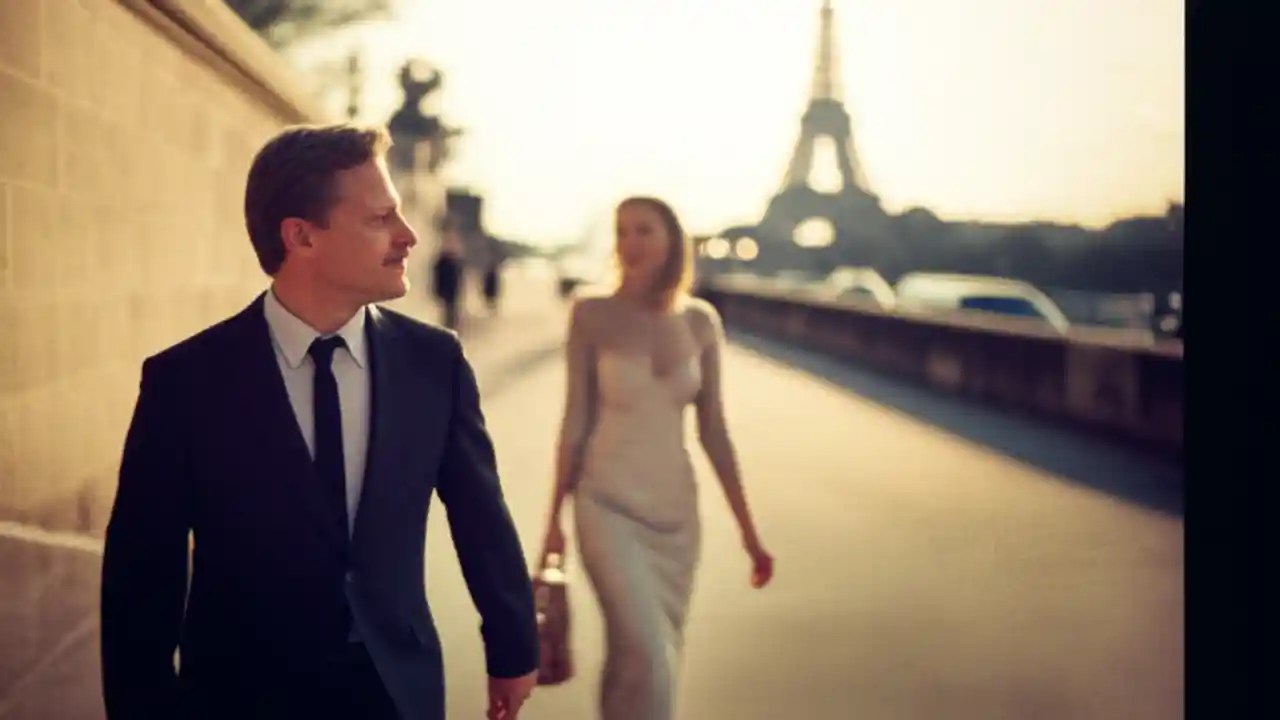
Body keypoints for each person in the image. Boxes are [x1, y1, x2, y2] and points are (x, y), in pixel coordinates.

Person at [100, 124, 539, 720]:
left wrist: (513, 645)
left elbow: (480, 512)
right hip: (240, 697)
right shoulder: (186, 381)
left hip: (396, 691)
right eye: (381, 218)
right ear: (302, 237)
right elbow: (142, 568)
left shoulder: (434, 362)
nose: (408, 237)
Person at [539, 196, 775, 719]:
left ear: (672, 240)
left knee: (652, 655)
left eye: (644, 230)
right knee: (645, 650)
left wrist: (749, 532)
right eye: (622, 231)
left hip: (675, 518)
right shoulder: (591, 313)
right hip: (606, 505)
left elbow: (714, 430)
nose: (630, 243)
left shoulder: (701, 321)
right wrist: (553, 523)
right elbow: (573, 420)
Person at [432, 226, 466, 331]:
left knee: (453, 310)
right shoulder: (442, 260)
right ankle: (449, 328)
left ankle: (453, 328)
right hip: (446, 289)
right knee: (448, 310)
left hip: (453, 290)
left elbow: (460, 276)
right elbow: (437, 276)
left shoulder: (455, 261)